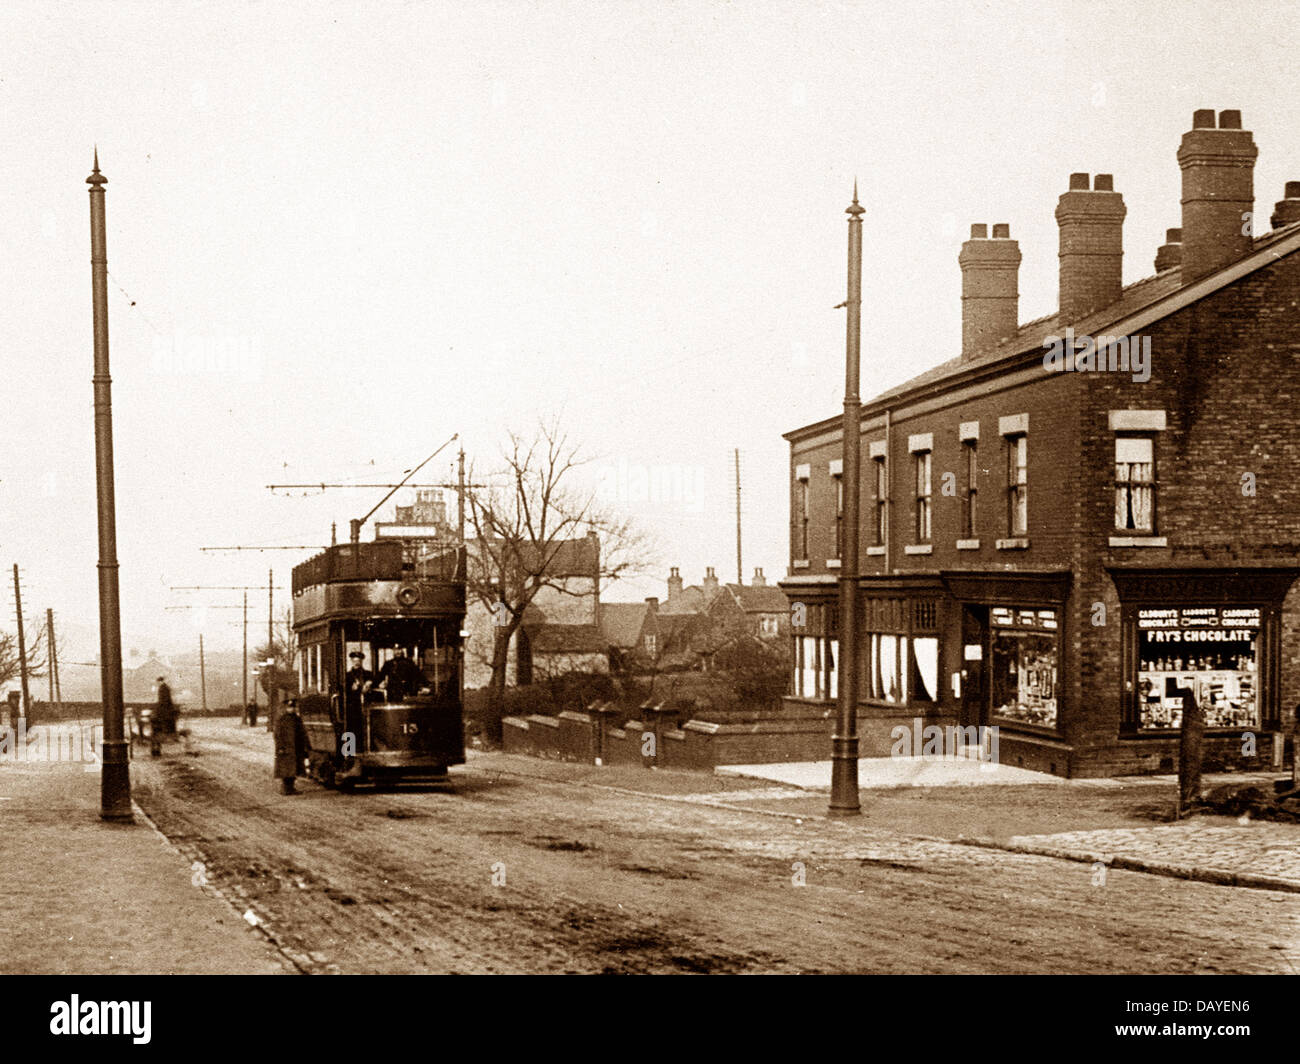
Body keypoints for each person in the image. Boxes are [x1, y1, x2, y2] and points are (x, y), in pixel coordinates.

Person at [273, 698, 310, 795]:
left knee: (294, 769)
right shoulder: (282, 719)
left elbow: (303, 733)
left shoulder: (297, 719)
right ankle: (285, 788)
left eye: (293, 707)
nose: (292, 709)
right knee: (286, 769)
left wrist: (306, 746)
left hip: (296, 747)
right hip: (286, 748)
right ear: (286, 708)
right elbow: (277, 735)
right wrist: (280, 747)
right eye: (290, 707)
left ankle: (290, 787)